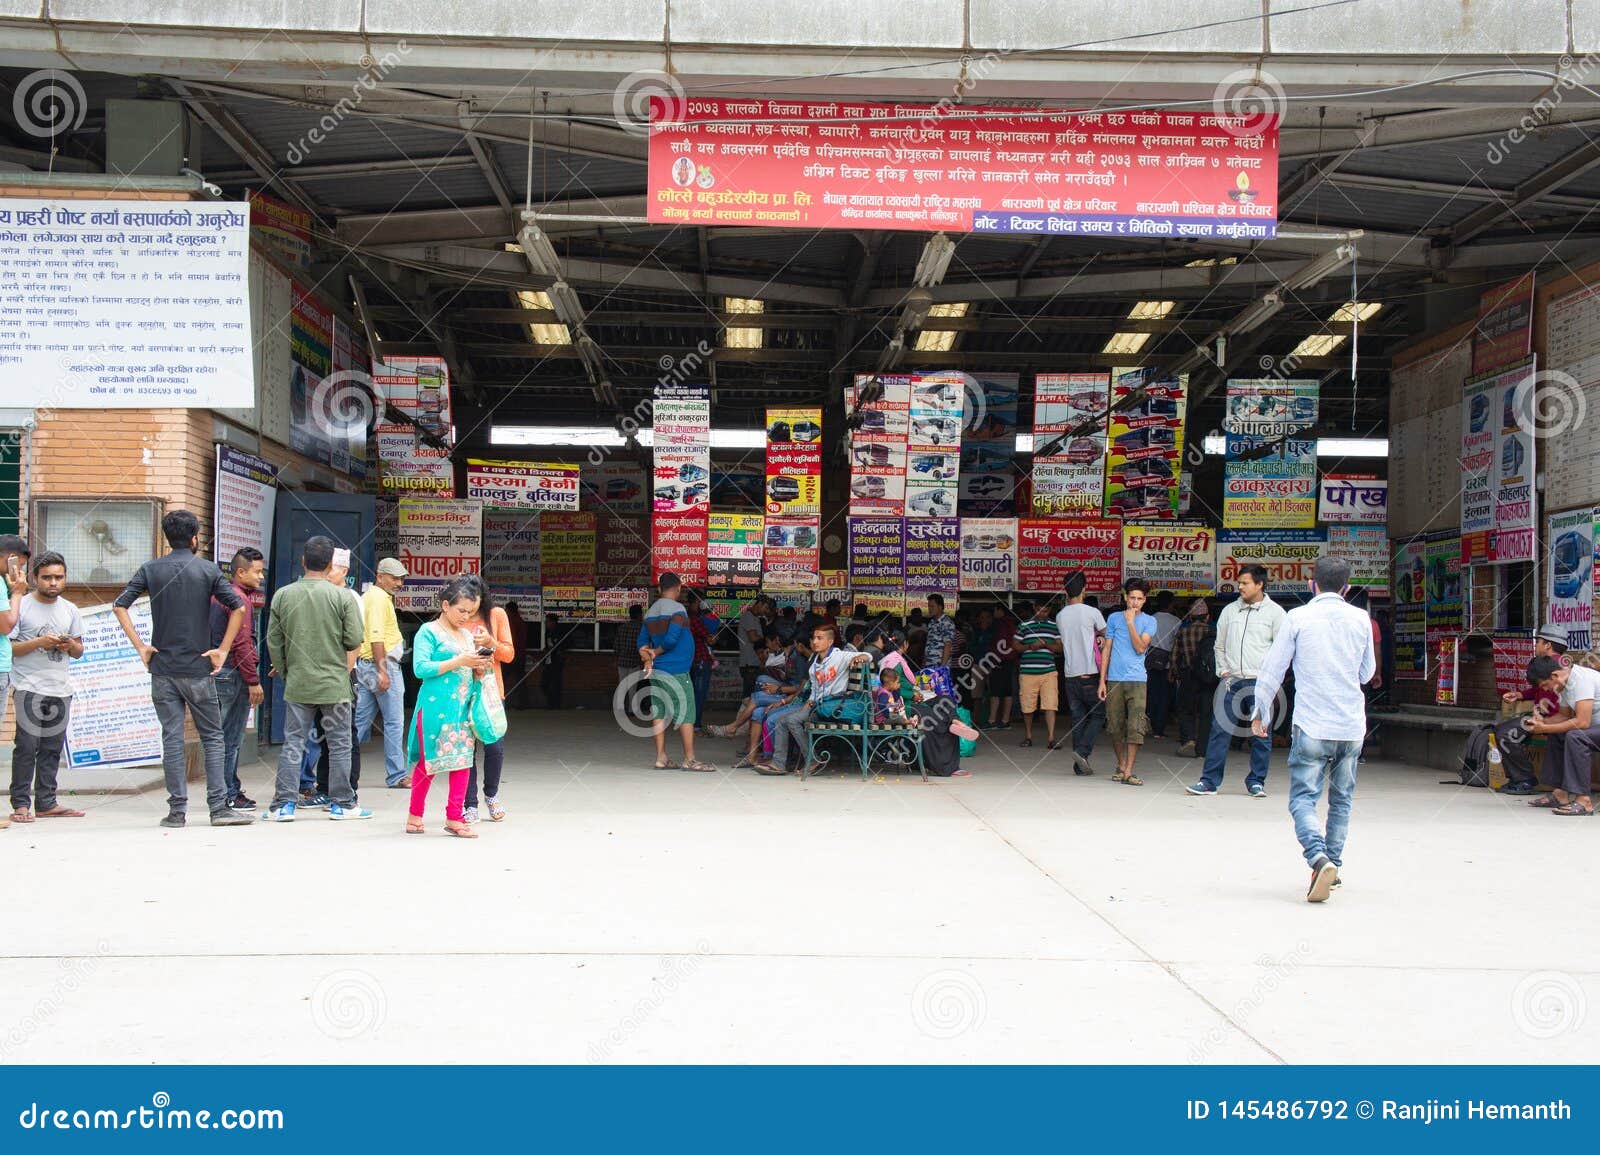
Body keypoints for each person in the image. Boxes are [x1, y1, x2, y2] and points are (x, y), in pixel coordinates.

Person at [113, 509, 250, 829]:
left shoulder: (151, 569)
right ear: (194, 538)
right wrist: (223, 650)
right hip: (198, 668)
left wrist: (141, 647)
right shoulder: (207, 571)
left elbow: (120, 604)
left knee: (172, 739)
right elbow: (239, 608)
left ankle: (176, 811)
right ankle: (218, 808)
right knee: (213, 737)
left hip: (162, 669)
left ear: (167, 537)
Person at [1251, 556, 1376, 902]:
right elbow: (1367, 674)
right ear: (1347, 588)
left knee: (1303, 800)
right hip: (1351, 725)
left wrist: (1260, 711)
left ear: (1312, 584)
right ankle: (1332, 864)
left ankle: (1318, 858)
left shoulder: (1298, 617)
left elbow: (1273, 669)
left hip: (1312, 724)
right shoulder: (1361, 618)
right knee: (1342, 800)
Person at [261, 536, 369, 822]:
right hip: (335, 684)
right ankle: (342, 804)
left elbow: (273, 641)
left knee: (293, 743)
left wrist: (287, 672)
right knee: (340, 744)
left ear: (303, 561)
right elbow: (354, 639)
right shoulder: (342, 597)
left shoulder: (284, 595)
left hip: (298, 683)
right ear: (330, 564)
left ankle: (284, 805)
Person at [405, 576, 496, 838]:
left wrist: (478, 666)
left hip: (461, 708)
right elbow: (420, 668)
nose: (465, 617)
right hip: (435, 708)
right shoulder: (428, 632)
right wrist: (460, 660)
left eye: (471, 612)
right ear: (446, 605)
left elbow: (470, 669)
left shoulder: (467, 635)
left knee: (463, 763)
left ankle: (455, 817)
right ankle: (414, 815)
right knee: (428, 762)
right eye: (461, 611)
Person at [1185, 564, 1286, 798]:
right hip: (1231, 682)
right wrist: (1223, 671)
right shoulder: (1230, 611)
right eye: (1239, 582)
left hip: (1261, 683)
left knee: (1260, 733)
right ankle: (1209, 781)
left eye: (1245, 583)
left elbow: (1282, 651)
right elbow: (1218, 645)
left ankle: (1256, 781)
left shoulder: (1276, 613)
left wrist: (1272, 680)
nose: (1239, 586)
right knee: (1219, 730)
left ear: (1260, 584)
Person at [8, 552, 86, 823]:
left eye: (59, 577)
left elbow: (78, 650)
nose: (53, 582)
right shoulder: (21, 607)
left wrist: (68, 645)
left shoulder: (70, 610)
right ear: (35, 578)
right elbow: (11, 650)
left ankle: (46, 802)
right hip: (28, 687)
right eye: (47, 577)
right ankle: (20, 803)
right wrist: (40, 642)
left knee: (52, 748)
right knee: (27, 747)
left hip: (60, 689)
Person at [754, 622, 871, 776]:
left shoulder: (839, 656)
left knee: (792, 720)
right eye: (814, 638)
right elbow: (815, 689)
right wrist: (809, 702)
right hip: (817, 705)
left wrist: (859, 658)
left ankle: (813, 760)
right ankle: (778, 764)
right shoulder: (815, 662)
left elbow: (868, 656)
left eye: (819, 638)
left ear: (830, 642)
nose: (815, 641)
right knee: (780, 720)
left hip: (833, 708)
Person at [210, 546, 265, 811]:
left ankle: (226, 789)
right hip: (233, 675)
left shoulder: (221, 596)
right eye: (256, 571)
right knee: (230, 738)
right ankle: (227, 794)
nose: (261, 577)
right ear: (240, 572)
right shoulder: (238, 600)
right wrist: (253, 680)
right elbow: (242, 644)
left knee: (221, 736)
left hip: (222, 673)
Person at [641, 573, 715, 772]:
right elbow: (672, 639)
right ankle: (689, 759)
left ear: (658, 589)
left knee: (659, 711)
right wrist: (655, 652)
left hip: (658, 671)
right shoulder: (678, 609)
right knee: (686, 713)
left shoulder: (650, 613)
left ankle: (661, 757)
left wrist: (648, 657)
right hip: (677, 670)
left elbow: (641, 642)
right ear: (679, 588)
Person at [461, 575, 515, 823]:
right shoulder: (455, 615)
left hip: (491, 693)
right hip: (461, 692)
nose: (468, 607)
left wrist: (491, 643)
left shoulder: (496, 615)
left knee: (495, 747)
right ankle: (469, 803)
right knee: (466, 750)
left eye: (473, 600)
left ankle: (491, 795)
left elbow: (509, 654)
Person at [1493, 624, 1568, 795]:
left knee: (1504, 734)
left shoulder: (1558, 667)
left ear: (1548, 645)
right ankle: (1520, 777)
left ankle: (1524, 779)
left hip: (1550, 719)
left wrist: (1540, 719)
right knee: (1504, 730)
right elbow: (1539, 688)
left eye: (1538, 642)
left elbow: (1552, 697)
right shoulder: (1546, 666)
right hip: (1540, 715)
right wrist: (1520, 694)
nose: (1536, 646)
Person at [354, 557, 409, 789]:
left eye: (401, 579)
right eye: (394, 578)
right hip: (381, 665)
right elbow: (376, 636)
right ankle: (397, 775)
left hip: (368, 666)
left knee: (357, 723)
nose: (399, 583)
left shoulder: (373, 597)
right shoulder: (377, 599)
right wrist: (383, 671)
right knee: (394, 723)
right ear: (380, 576)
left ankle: (335, 771)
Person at [1522, 655, 1598, 816]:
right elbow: (1564, 717)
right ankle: (1560, 793)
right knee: (1559, 733)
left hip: (1592, 727)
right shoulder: (1563, 686)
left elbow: (1583, 722)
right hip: (1595, 728)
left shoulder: (1582, 680)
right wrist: (1541, 722)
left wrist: (1547, 728)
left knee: (1576, 736)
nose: (1546, 690)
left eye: (1545, 685)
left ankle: (1584, 801)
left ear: (1554, 676)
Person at [1098, 577, 1157, 786]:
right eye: (1132, 598)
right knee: (1114, 725)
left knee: (1136, 726)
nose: (1135, 602)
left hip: (1138, 680)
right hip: (1114, 678)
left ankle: (1129, 770)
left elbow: (1140, 647)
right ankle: (1121, 764)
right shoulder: (1113, 618)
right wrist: (1102, 680)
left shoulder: (1150, 621)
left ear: (1145, 600)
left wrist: (1131, 623)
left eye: (1139, 599)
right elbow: (1107, 648)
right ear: (1125, 597)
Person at [1055, 572, 1107, 775]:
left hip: (1070, 675)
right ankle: (1083, 752)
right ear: (1085, 588)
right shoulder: (1092, 612)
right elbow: (1105, 635)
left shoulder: (1060, 616)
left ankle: (1079, 767)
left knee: (1078, 718)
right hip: (1090, 673)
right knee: (1098, 715)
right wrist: (1098, 638)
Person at [1170, 598, 1216, 759]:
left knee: (1185, 709)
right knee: (1206, 713)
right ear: (1207, 617)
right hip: (1207, 678)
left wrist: (1175, 673)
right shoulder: (1212, 631)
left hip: (1188, 675)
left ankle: (1189, 739)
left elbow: (1175, 655)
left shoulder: (1183, 631)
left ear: (1190, 617)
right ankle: (1202, 749)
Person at [1013, 599, 1061, 749]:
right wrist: (1030, 646)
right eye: (1039, 610)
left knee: (1051, 705)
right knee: (1027, 706)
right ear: (1034, 608)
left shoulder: (1054, 626)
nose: (1042, 613)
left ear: (1050, 610)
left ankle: (1052, 738)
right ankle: (1028, 736)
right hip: (1028, 671)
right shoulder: (1024, 625)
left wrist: (1046, 644)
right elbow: (1015, 645)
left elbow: (1060, 648)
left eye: (1046, 611)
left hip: (1049, 671)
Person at [1145, 591, 1181, 739]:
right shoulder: (1176, 621)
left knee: (1152, 694)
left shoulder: (1150, 619)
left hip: (1150, 662)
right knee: (1164, 697)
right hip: (1167, 664)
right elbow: (1176, 645)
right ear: (1171, 604)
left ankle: (1150, 725)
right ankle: (1159, 728)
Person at [685, 591, 720, 732]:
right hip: (700, 660)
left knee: (692, 693)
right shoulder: (696, 620)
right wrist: (714, 637)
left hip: (690, 660)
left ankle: (691, 722)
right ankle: (696, 724)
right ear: (697, 602)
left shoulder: (685, 617)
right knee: (700, 693)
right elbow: (709, 639)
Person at [984, 604, 1017, 730]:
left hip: (999, 660)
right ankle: (1005, 720)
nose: (993, 613)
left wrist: (995, 660)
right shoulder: (1011, 623)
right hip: (1010, 660)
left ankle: (992, 720)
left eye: (995, 610)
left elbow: (1000, 641)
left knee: (995, 692)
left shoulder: (1000, 624)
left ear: (1000, 610)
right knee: (1007, 691)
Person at [736, 596, 767, 696]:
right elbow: (753, 638)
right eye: (765, 608)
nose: (766, 611)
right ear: (760, 604)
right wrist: (766, 640)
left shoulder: (755, 618)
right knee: (749, 697)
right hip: (749, 664)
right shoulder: (748, 616)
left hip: (755, 663)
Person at [502, 601, 530, 709]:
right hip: (520, 655)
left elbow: (512, 640)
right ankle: (523, 703)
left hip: (513, 655)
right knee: (520, 680)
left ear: (509, 610)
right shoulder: (520, 621)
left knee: (503, 679)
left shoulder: (513, 622)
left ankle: (500, 702)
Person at [540, 613, 569, 709]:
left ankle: (555, 704)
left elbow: (563, 645)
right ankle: (550, 702)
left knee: (555, 683)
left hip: (557, 661)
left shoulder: (560, 632)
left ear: (553, 622)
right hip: (548, 661)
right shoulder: (547, 632)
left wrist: (557, 650)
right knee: (544, 683)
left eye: (547, 622)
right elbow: (547, 645)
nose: (546, 623)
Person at [924, 593, 955, 669]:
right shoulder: (931, 623)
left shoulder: (946, 622)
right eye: (929, 606)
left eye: (932, 606)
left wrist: (942, 668)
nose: (930, 609)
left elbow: (948, 645)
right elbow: (928, 644)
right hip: (929, 665)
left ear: (940, 607)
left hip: (939, 666)